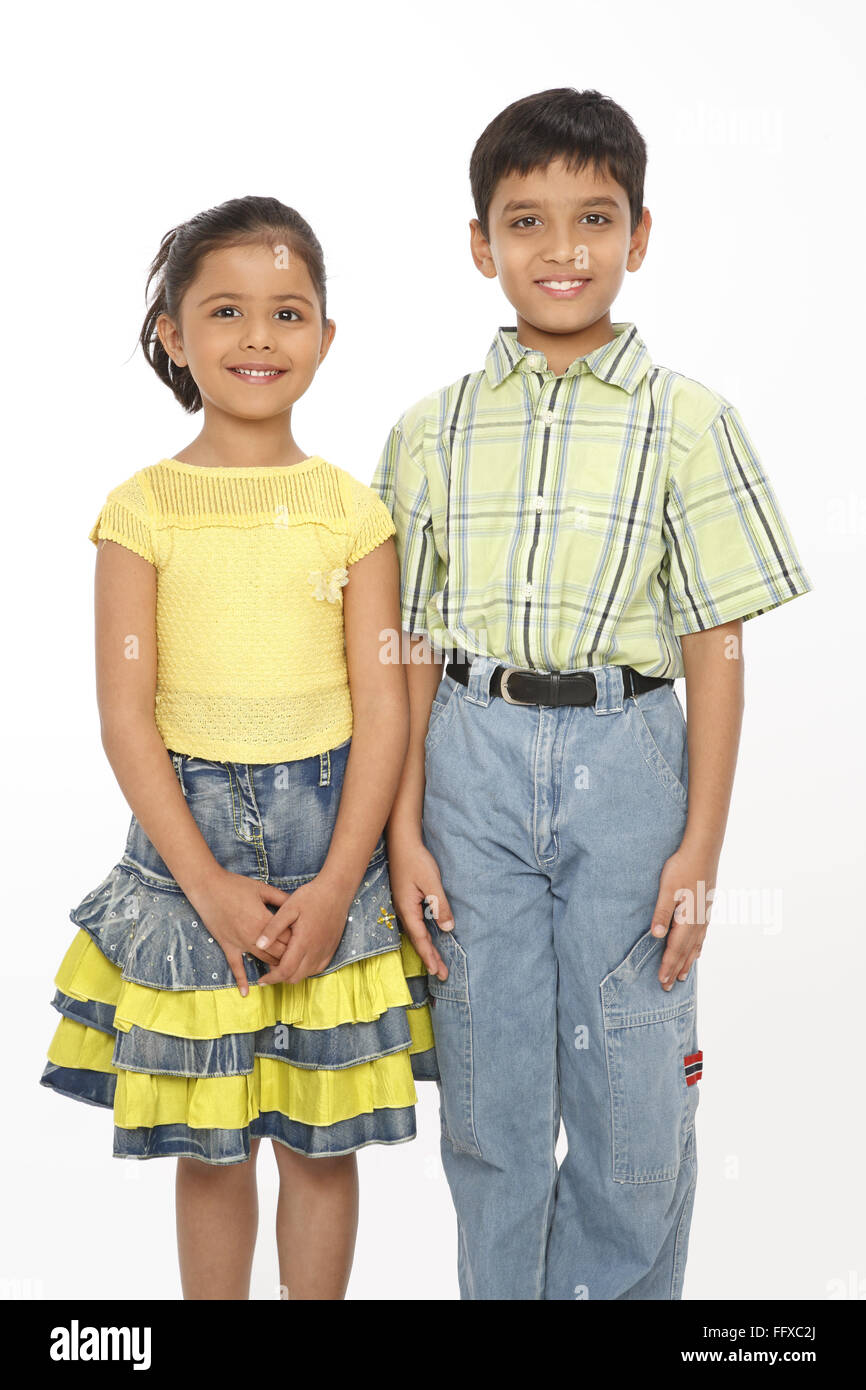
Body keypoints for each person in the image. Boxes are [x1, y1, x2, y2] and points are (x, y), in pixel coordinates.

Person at [371, 88, 814, 1300]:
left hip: (626, 761)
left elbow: (714, 645)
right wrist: (403, 829)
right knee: (488, 1091)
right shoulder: (429, 432)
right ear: (480, 245)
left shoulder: (688, 421)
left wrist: (700, 847)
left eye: (591, 218)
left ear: (639, 233)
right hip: (464, 756)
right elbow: (403, 644)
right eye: (525, 222)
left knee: (631, 1092)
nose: (559, 250)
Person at [39, 195, 437, 1301]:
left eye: (287, 312)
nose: (258, 337)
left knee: (320, 1136)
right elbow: (126, 715)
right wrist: (205, 884)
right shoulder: (142, 509)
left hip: (331, 846)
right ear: (172, 332)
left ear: (324, 335)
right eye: (225, 311)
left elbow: (385, 707)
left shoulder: (351, 513)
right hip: (186, 851)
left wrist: (343, 875)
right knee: (212, 1144)